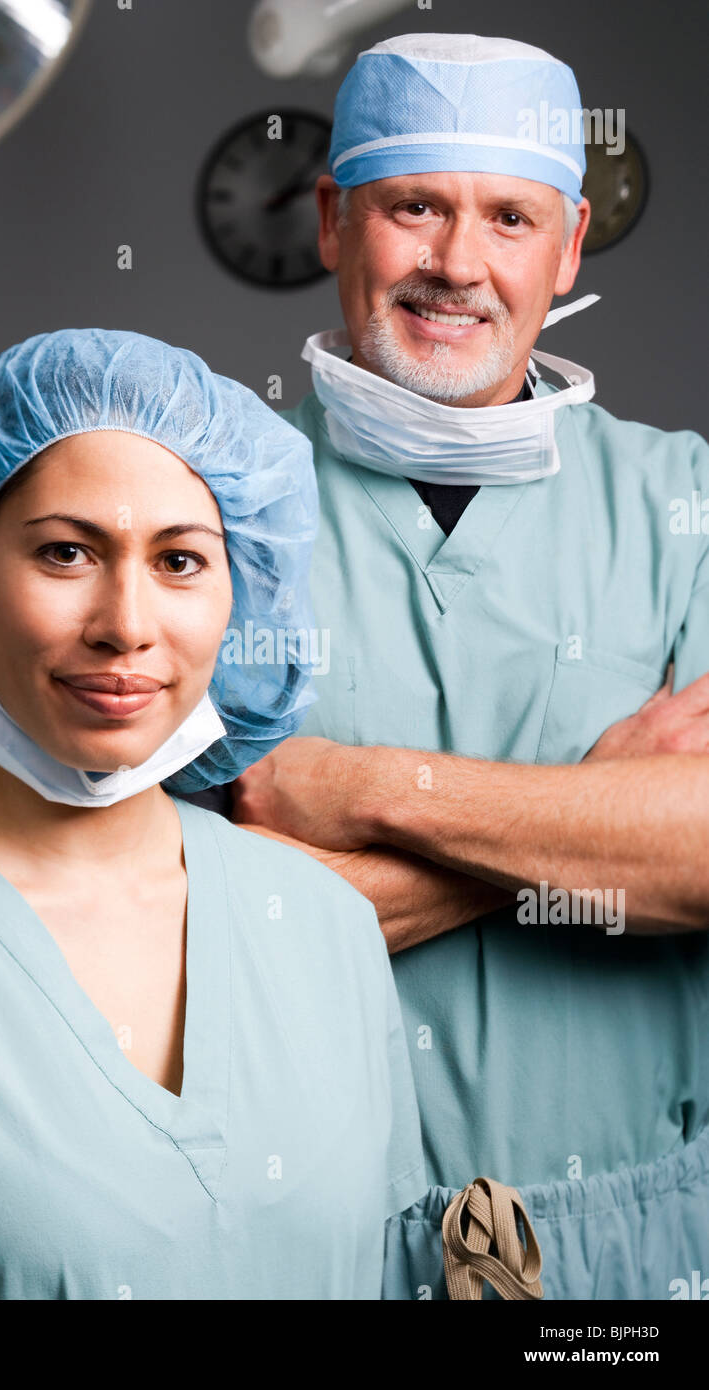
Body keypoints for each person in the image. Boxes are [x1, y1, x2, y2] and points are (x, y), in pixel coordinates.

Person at [229, 34, 709, 1299]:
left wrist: (356, 789)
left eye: (508, 215)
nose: (456, 262)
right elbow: (202, 936)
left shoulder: (683, 501)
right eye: (413, 207)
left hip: (643, 1249)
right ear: (334, 221)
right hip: (309, 1253)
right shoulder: (207, 523)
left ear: (564, 252)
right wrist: (594, 807)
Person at [0, 327, 426, 1300]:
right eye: (66, 552)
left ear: (242, 596)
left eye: (181, 561)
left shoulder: (321, 924)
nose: (125, 623)